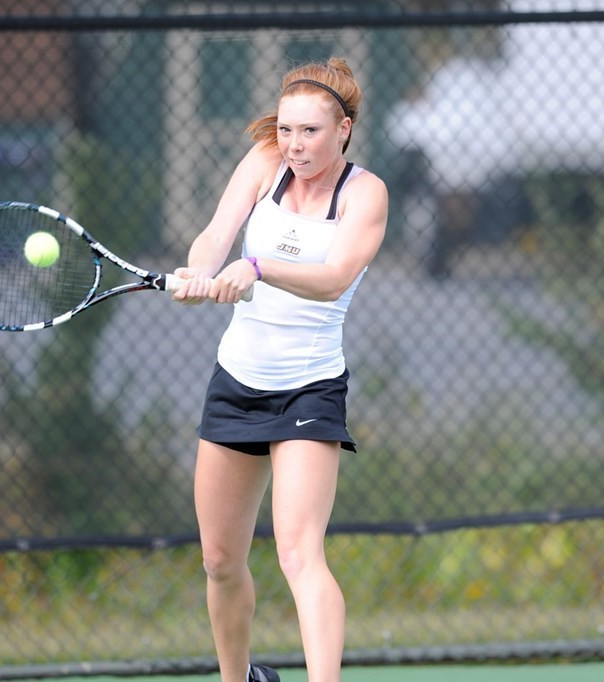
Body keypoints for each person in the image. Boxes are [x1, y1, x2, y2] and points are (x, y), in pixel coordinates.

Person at [171, 57, 388, 682]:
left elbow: (333, 277)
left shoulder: (364, 193)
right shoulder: (266, 162)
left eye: (311, 132)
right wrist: (199, 272)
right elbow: (216, 235)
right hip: (236, 381)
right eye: (287, 129)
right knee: (219, 560)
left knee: (299, 553)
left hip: (310, 388)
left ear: (343, 129)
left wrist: (259, 268)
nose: (295, 144)